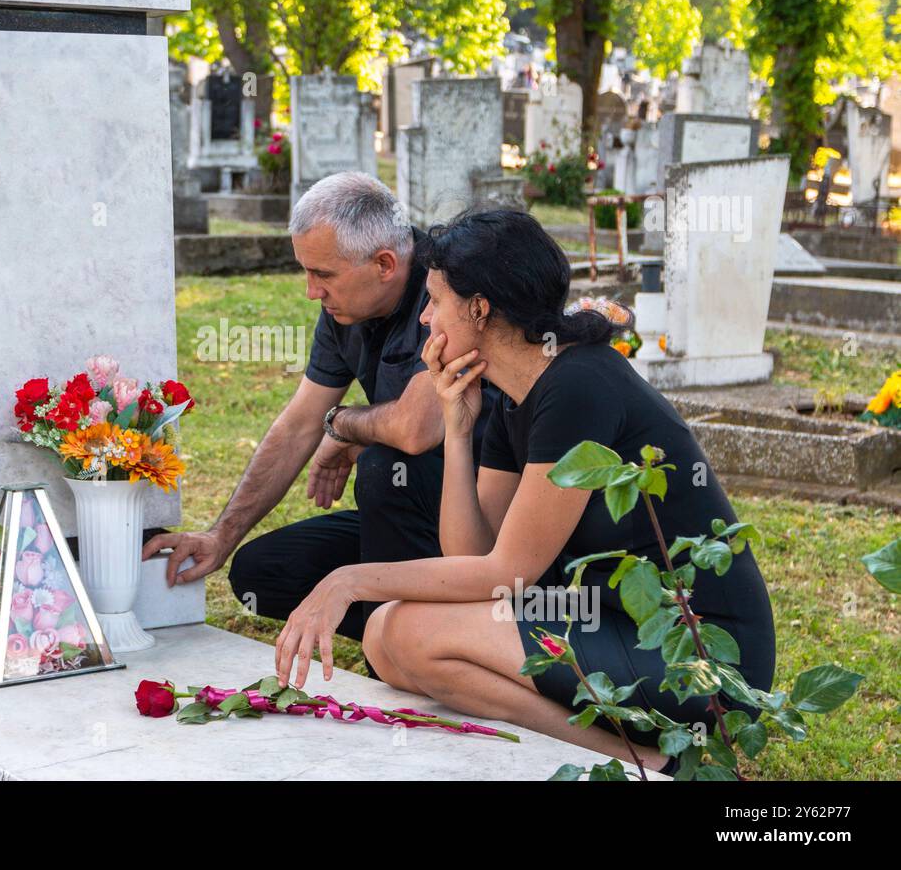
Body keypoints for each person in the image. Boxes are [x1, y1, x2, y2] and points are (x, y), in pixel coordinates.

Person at [270, 209, 776, 773]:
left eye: (435, 301)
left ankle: (643, 763)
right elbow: (472, 558)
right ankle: (637, 757)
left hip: (699, 657)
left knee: (406, 629)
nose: (424, 320)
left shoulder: (578, 382)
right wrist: (458, 428)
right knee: (387, 635)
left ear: (479, 309)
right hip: (601, 620)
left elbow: (507, 574)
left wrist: (350, 580)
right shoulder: (514, 394)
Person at [142, 171, 498, 646]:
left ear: (385, 263)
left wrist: (344, 427)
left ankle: (410, 644)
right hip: (402, 521)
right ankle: (406, 626)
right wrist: (220, 537)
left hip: (481, 517)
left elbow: (416, 429)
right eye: (307, 271)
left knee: (386, 463)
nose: (311, 291)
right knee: (261, 572)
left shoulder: (447, 290)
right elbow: (299, 424)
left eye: (323, 275)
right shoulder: (345, 309)